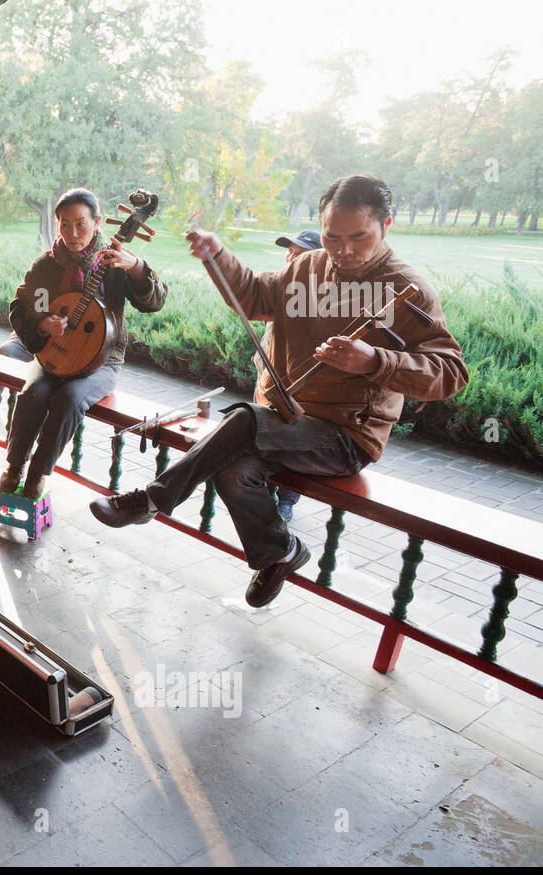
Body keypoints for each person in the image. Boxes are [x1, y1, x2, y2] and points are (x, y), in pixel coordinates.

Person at [91, 175, 469, 607]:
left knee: (245, 418)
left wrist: (374, 362)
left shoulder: (407, 289)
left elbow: (450, 373)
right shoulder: (307, 268)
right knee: (232, 470)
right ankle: (281, 552)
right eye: (331, 236)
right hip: (285, 421)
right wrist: (218, 256)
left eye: (358, 237)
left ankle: (152, 500)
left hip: (345, 437)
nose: (342, 250)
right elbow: (252, 297)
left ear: (387, 225)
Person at [2, 188, 167, 500]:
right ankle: (14, 467)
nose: (72, 233)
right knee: (33, 393)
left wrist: (136, 266)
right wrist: (42, 322)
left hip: (101, 362)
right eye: (64, 224)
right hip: (55, 353)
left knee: (70, 398)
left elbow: (155, 302)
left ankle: (38, 472)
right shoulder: (47, 266)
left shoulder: (116, 263)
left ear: (97, 222)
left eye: (80, 223)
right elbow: (21, 306)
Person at [265, 229, 321, 522]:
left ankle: (286, 499)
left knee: (293, 435)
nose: (289, 258)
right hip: (270, 377)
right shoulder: (282, 284)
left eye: (298, 255)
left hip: (301, 385)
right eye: (289, 252)